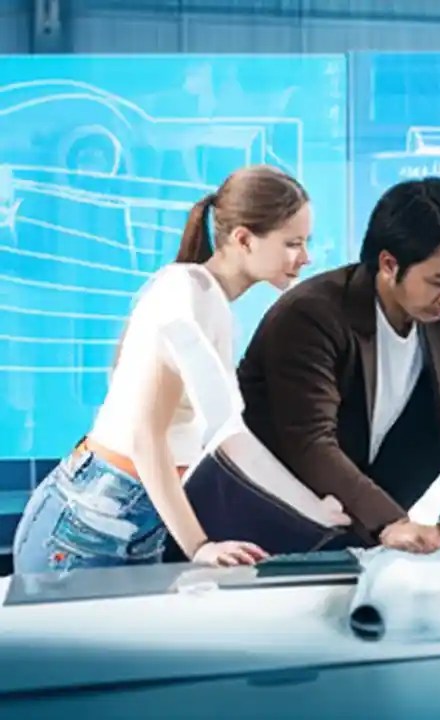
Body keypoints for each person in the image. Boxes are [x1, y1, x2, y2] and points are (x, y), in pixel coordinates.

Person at [12, 165, 312, 572]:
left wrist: (314, 510)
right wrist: (200, 545)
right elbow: (145, 437)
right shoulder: (184, 291)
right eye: (293, 243)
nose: (305, 257)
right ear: (243, 238)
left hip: (129, 517)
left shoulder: (208, 301)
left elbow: (223, 435)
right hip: (89, 522)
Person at [238, 177, 440, 554]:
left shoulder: (429, 313)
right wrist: (389, 522)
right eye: (439, 281)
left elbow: (436, 424)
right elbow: (310, 443)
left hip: (348, 533)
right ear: (389, 263)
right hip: (266, 530)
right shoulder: (311, 316)